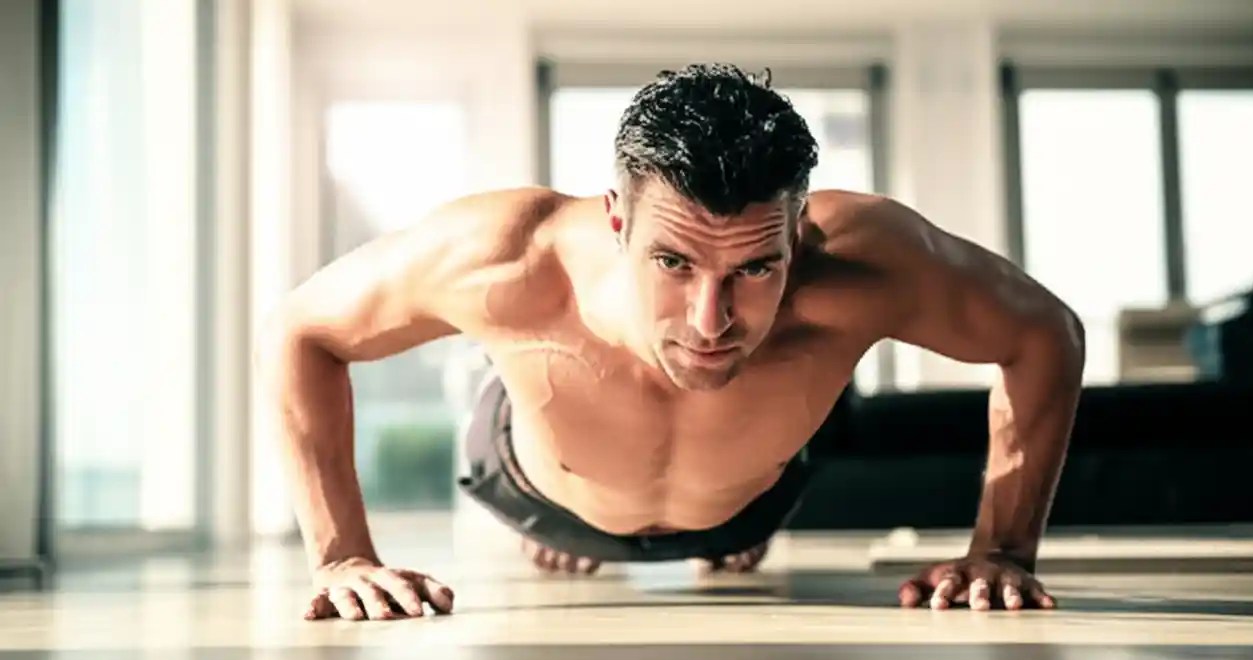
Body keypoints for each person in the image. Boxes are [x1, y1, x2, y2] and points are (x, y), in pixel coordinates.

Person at [256, 63, 1085, 622]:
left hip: (749, 505)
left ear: (800, 228)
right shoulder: (508, 256)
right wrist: (339, 558)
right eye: (673, 260)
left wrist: (1002, 551)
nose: (709, 317)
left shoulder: (870, 259)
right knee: (530, 375)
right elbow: (303, 330)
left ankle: (729, 512)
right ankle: (545, 475)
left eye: (758, 267)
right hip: (536, 490)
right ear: (617, 217)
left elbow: (1046, 333)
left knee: (780, 371)